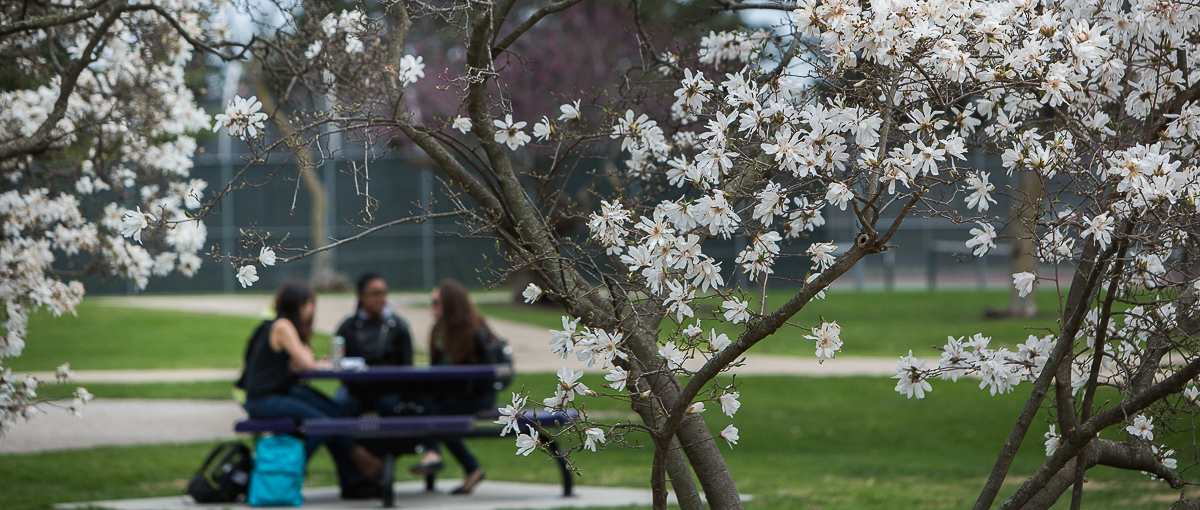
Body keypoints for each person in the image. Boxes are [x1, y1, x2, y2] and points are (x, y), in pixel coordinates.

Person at [238, 280, 383, 499]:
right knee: (325, 425)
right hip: (264, 400)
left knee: (334, 412)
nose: (312, 311)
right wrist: (309, 359)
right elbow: (306, 363)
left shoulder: (279, 325)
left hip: (280, 394)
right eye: (310, 304)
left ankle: (354, 481)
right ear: (301, 305)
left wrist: (307, 360)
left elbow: (298, 365)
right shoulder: (282, 326)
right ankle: (291, 471)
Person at [409, 279, 494, 495]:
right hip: (451, 394)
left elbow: (489, 372)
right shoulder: (439, 330)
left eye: (436, 301)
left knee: (437, 417)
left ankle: (452, 460)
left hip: (476, 395)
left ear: (451, 304)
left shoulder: (475, 330)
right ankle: (453, 461)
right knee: (422, 402)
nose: (432, 306)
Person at [333, 272, 414, 416]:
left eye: (383, 293)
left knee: (390, 406)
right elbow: (338, 362)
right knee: (340, 405)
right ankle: (347, 439)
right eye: (375, 293)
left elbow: (407, 364)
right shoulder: (348, 327)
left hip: (388, 387)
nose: (380, 298)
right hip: (355, 388)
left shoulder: (397, 326)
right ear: (361, 296)